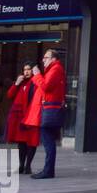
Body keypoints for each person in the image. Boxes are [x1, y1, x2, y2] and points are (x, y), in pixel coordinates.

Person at [31, 49, 66, 180]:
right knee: (48, 140)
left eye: (46, 57)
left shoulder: (55, 69)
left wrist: (37, 75)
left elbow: (46, 86)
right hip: (51, 109)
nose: (43, 60)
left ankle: (48, 170)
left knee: (48, 140)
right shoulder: (54, 69)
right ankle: (48, 169)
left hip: (51, 110)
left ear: (53, 59)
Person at [5, 63, 40, 175]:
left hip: (31, 116)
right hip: (20, 117)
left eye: (29, 69)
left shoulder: (35, 82)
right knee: (21, 142)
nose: (26, 72)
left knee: (31, 141)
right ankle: (21, 165)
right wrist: (16, 83)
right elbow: (10, 95)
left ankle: (28, 165)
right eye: (25, 69)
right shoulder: (20, 83)